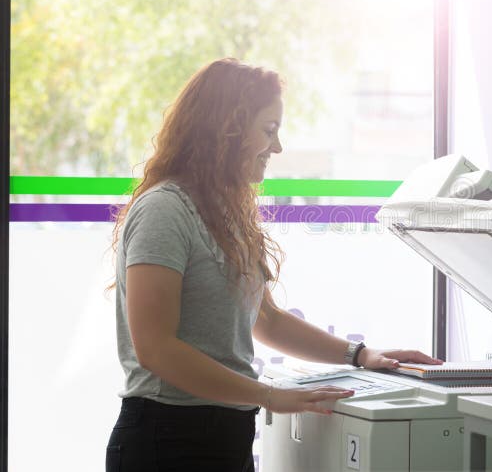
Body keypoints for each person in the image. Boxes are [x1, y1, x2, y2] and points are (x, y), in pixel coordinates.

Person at [106, 58, 442, 471]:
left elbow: (267, 319)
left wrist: (360, 354)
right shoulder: (165, 210)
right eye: (268, 130)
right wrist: (268, 396)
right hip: (167, 437)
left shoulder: (227, 214)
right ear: (225, 130)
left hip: (226, 435)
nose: (277, 147)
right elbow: (155, 348)